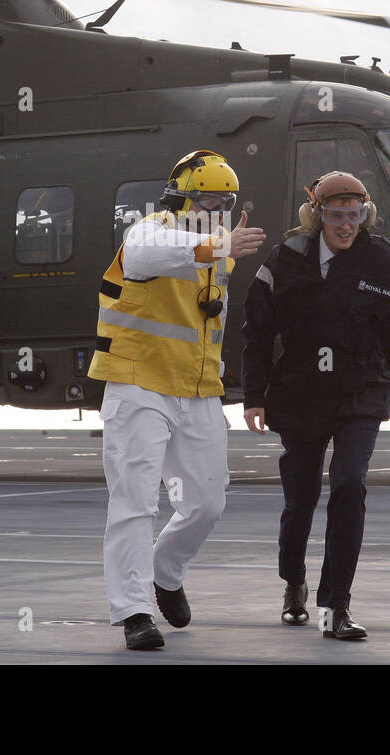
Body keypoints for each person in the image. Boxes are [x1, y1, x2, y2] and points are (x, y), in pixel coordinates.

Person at [89, 150, 265, 650]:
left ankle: (166, 571)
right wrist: (216, 244)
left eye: (224, 202)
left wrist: (216, 247)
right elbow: (145, 256)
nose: (216, 208)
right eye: (207, 199)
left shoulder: (215, 252)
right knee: (135, 501)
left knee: (207, 501)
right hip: (138, 383)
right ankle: (134, 612)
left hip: (197, 390)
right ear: (181, 198)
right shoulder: (151, 230)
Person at [241, 171, 390, 640]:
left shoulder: (383, 260)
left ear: (365, 215)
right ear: (317, 215)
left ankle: (337, 606)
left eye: (354, 216)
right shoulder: (285, 259)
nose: (346, 225)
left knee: (350, 484)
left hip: (361, 390)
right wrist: (254, 396)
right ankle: (294, 581)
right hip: (299, 394)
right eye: (336, 216)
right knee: (301, 501)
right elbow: (256, 334)